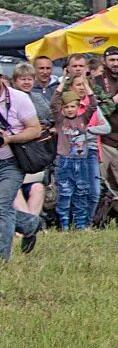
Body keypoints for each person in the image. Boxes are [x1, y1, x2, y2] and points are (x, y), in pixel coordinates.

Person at [54, 56, 109, 231]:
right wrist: (62, 83)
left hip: (86, 154)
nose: (71, 109)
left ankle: (83, 225)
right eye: (78, 85)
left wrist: (86, 131)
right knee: (66, 193)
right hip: (65, 158)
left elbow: (102, 122)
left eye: (83, 85)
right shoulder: (61, 115)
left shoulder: (85, 114)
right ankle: (64, 225)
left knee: (88, 192)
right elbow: (54, 104)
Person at [0, 69, 48, 262]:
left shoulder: (19, 99)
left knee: (1, 206)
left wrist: (9, 138)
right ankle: (30, 224)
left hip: (12, 161)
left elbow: (35, 129)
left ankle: (3, 260)